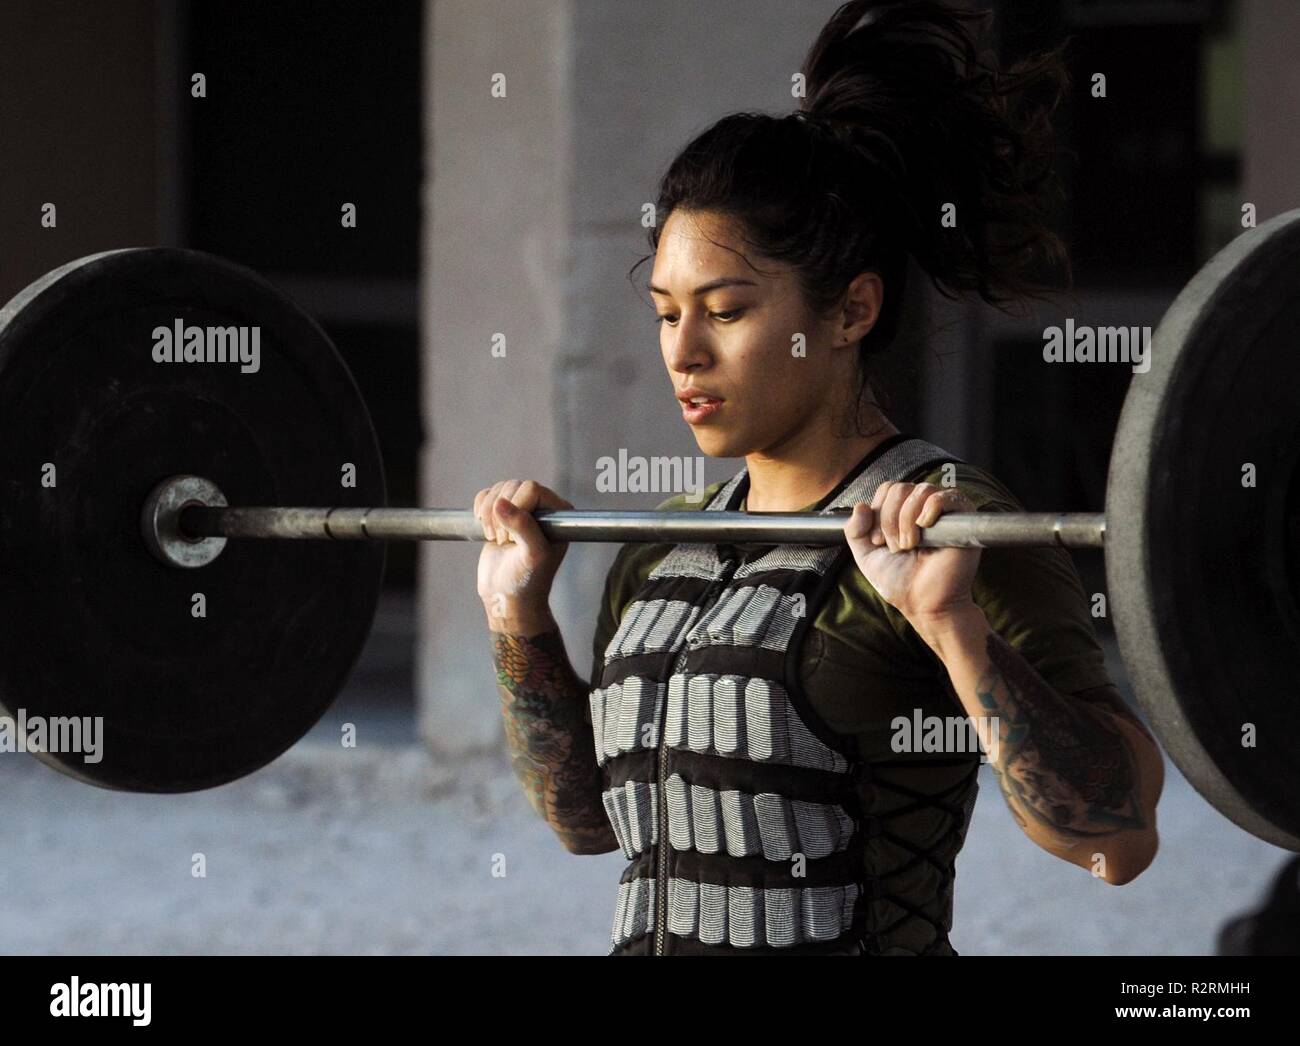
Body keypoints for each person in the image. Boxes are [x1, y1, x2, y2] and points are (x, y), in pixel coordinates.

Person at [474, 0, 1163, 956]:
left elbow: (1119, 842)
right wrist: (520, 624)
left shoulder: (952, 528)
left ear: (849, 312)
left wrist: (952, 628)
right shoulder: (667, 541)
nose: (685, 352)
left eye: (725, 310)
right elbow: (592, 826)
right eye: (667, 311)